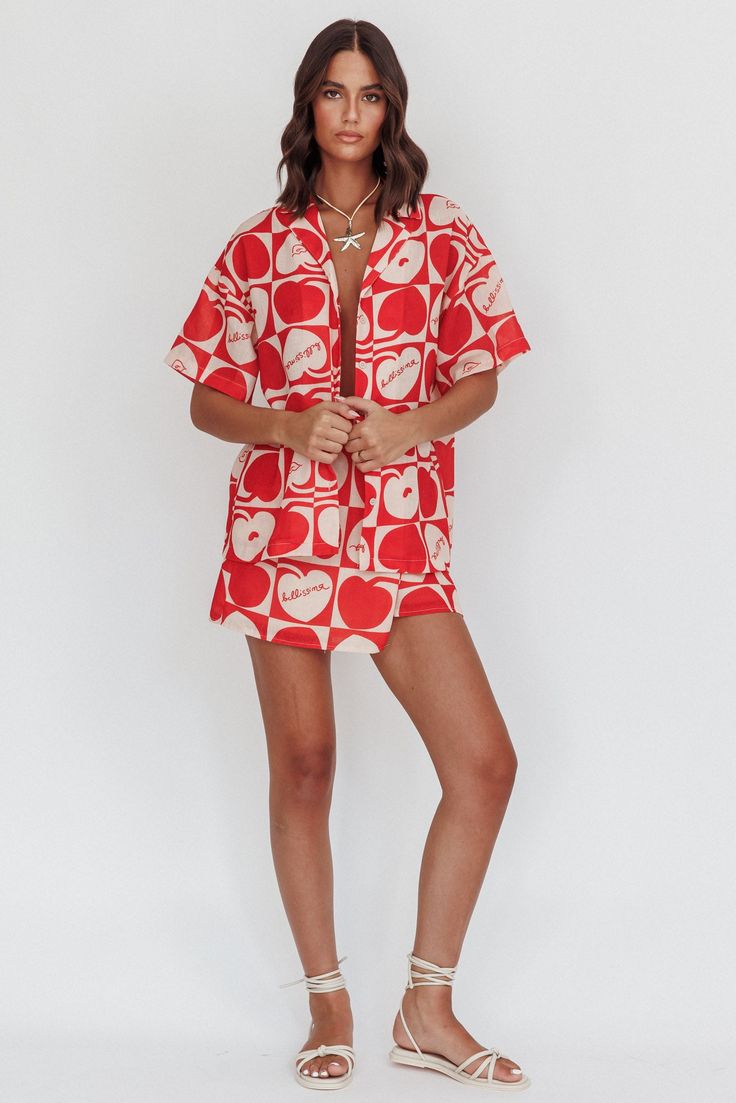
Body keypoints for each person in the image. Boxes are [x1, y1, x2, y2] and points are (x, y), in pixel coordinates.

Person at [163, 18, 532, 1092]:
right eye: (333, 92)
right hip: (282, 531)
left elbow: (483, 372)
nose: (352, 113)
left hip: (399, 528)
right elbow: (203, 395)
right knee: (306, 763)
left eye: (369, 94)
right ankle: (328, 1000)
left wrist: (411, 425)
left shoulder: (443, 232)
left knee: (483, 762)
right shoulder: (254, 244)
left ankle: (427, 1006)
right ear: (308, 106)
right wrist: (286, 424)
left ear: (392, 108)